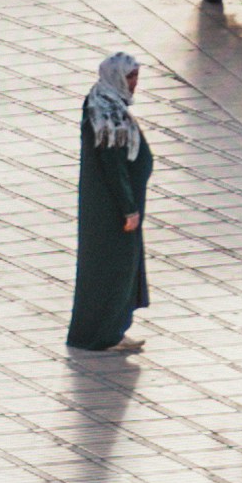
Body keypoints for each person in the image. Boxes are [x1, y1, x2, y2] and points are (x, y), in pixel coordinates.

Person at [68, 51, 150, 354]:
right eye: (130, 77)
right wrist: (128, 207)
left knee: (121, 267)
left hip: (113, 205)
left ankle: (112, 328)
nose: (134, 84)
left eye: (136, 77)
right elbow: (113, 164)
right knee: (111, 268)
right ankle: (101, 332)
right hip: (111, 208)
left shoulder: (108, 102)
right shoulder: (106, 111)